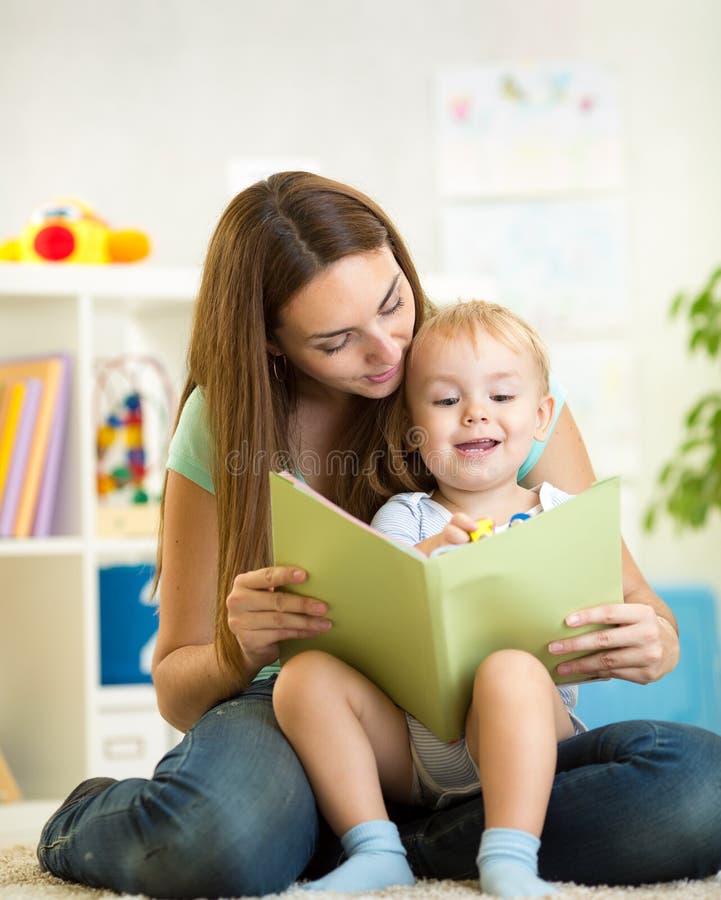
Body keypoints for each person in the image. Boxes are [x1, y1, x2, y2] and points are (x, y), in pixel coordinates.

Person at [37, 172, 721, 898]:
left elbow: (640, 603)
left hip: (492, 721)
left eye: (392, 302)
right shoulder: (225, 423)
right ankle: (100, 820)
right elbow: (176, 688)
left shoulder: (485, 383)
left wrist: (652, 640)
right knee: (213, 840)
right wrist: (242, 645)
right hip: (314, 716)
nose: (389, 349)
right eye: (336, 341)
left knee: (700, 792)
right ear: (272, 344)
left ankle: (381, 846)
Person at [273, 300, 588, 897]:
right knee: (304, 676)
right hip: (416, 747)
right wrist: (425, 554)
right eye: (447, 402)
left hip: (528, 734)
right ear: (416, 432)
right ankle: (375, 846)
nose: (475, 416)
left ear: (542, 415)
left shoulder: (561, 516)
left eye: (501, 398)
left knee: (510, 671)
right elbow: (372, 608)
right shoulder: (404, 516)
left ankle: (510, 857)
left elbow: (591, 623)